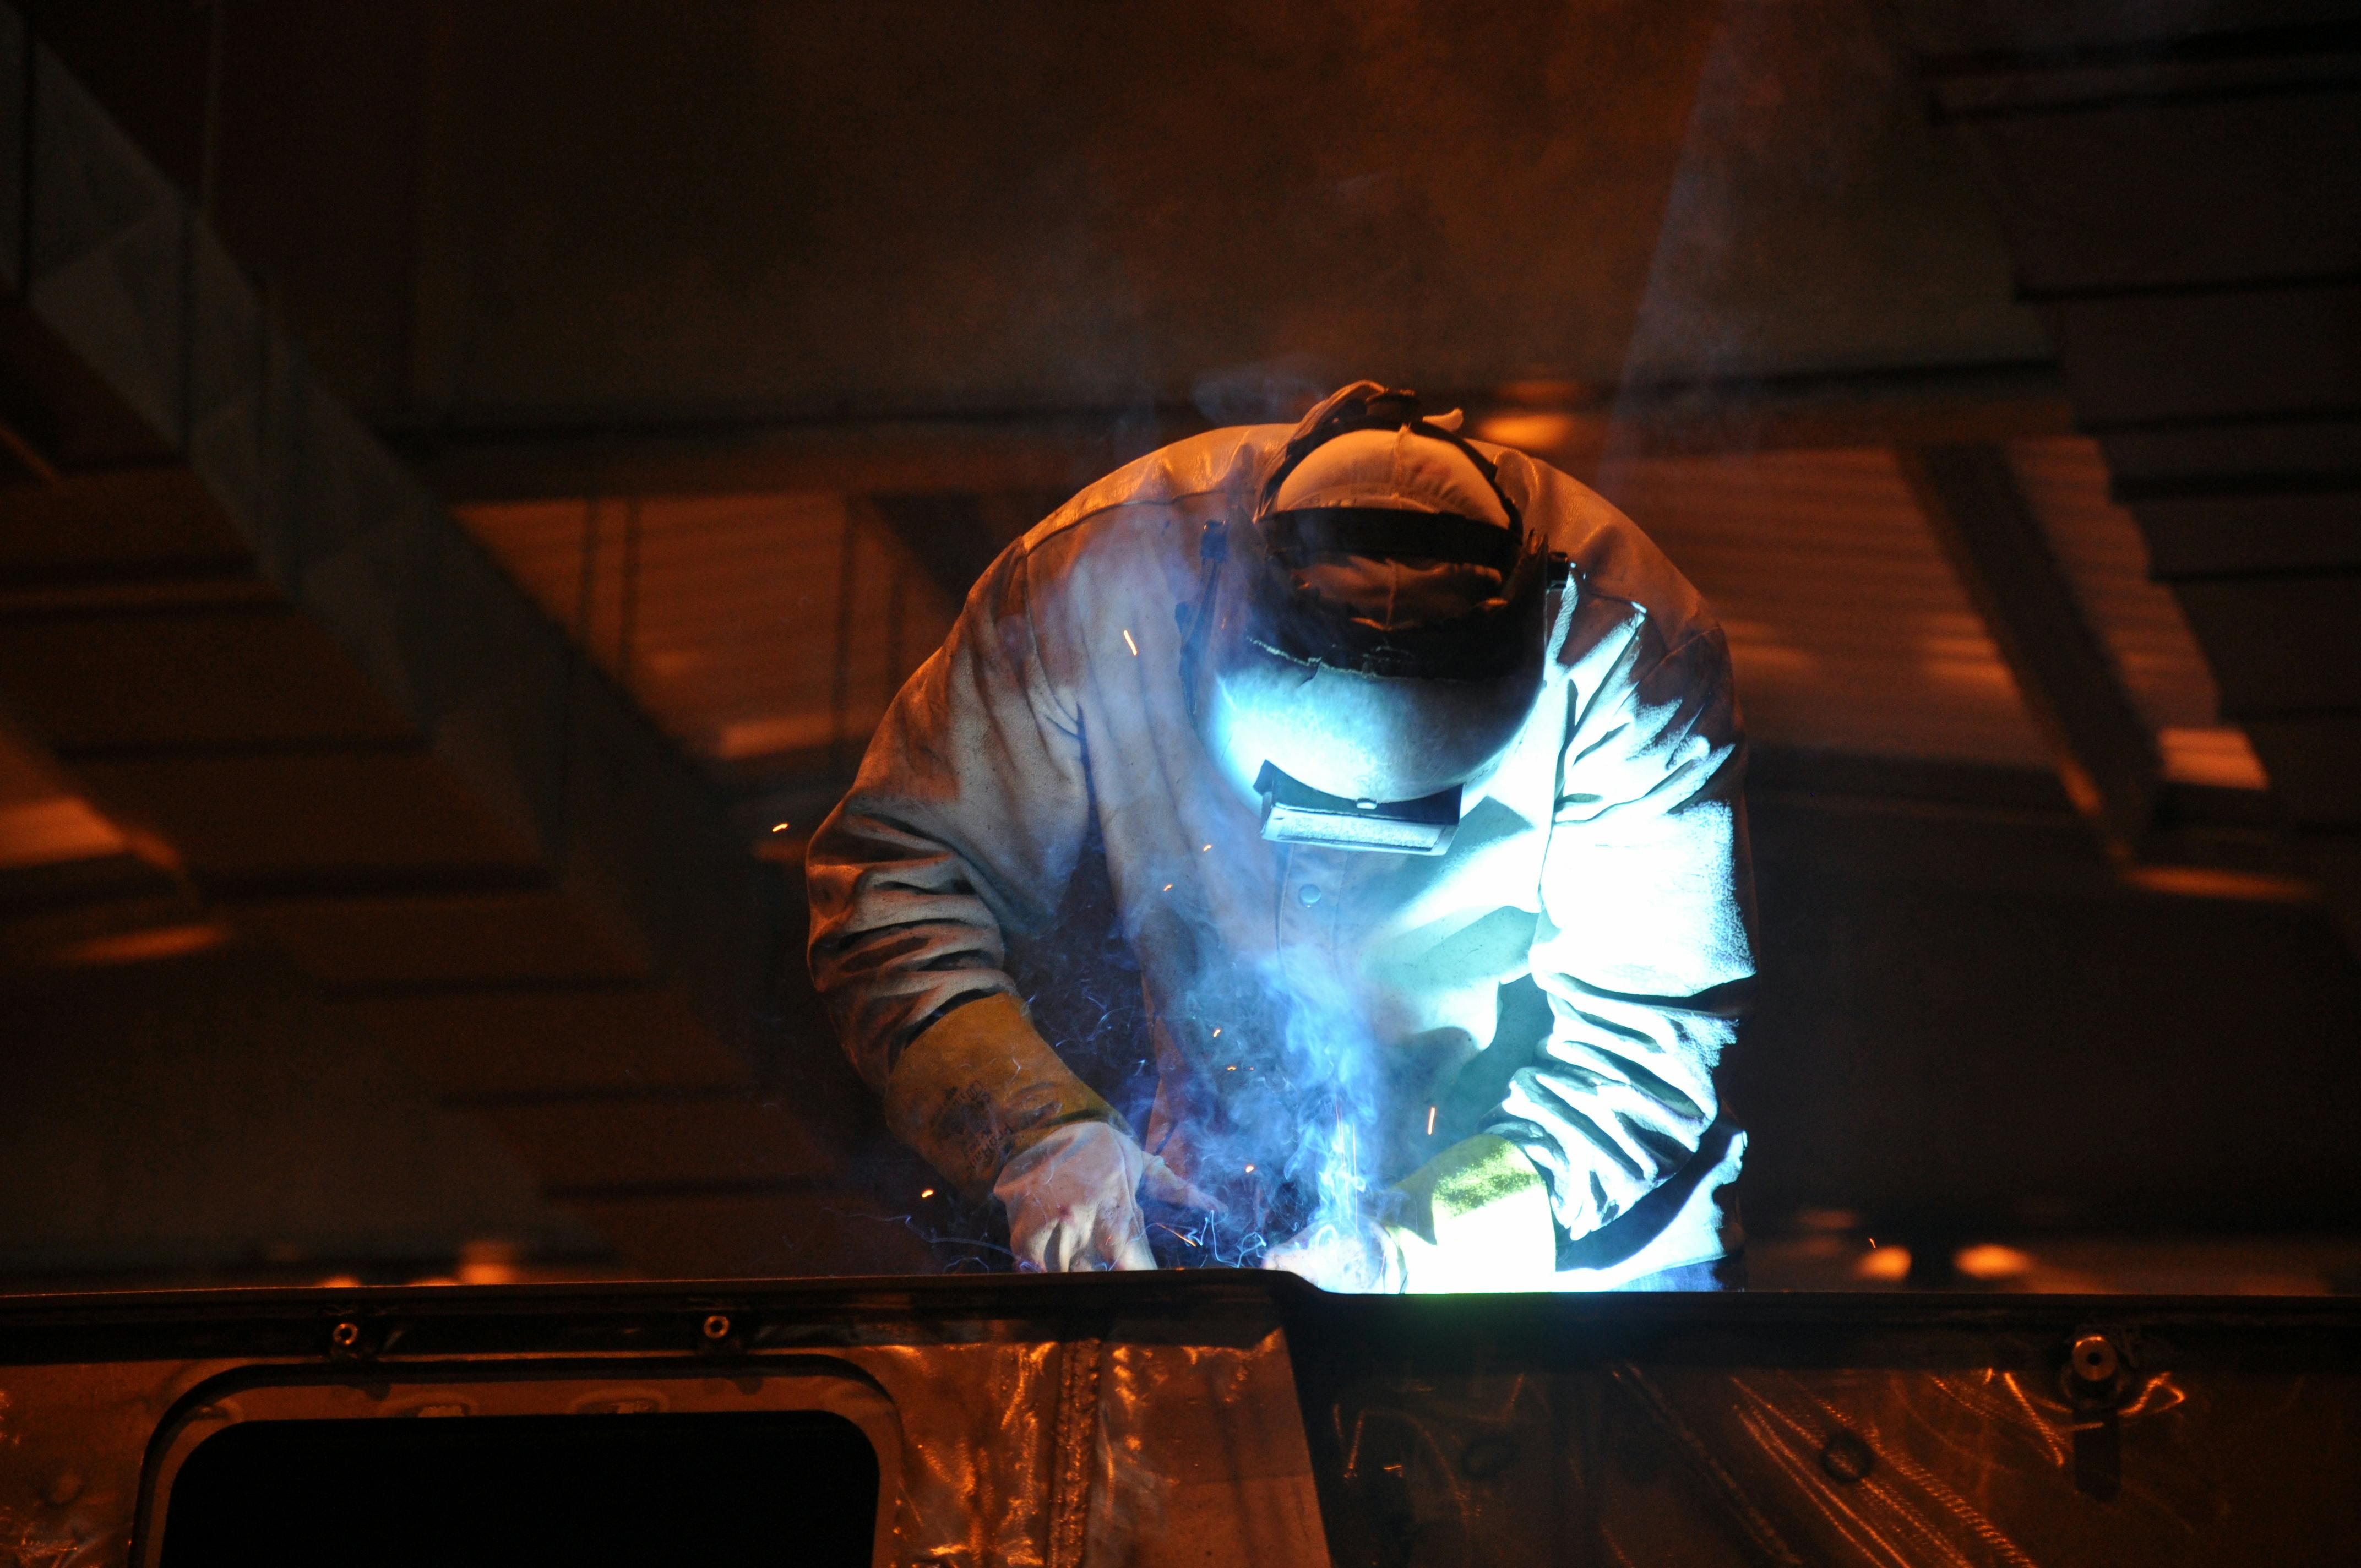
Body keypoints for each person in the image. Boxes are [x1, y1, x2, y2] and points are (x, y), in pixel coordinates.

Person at [807, 382, 1754, 1292]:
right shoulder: (1096, 583)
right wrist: (1040, 1136)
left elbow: (1649, 1045)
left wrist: (1418, 1246)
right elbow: (897, 888)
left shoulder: (1630, 656)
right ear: (1213, 608)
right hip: (1216, 1220)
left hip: (1571, 1249)